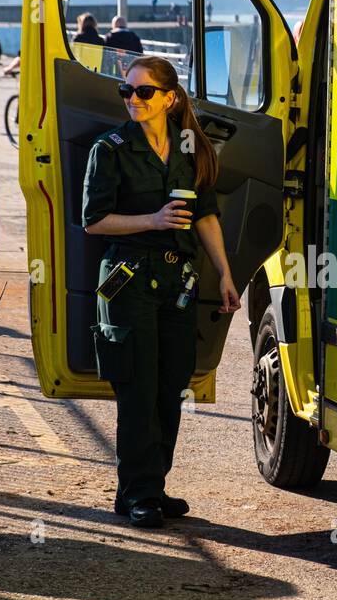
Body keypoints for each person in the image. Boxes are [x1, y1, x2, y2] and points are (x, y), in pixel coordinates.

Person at [81, 56, 241, 528]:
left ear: (169, 98)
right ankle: (139, 492)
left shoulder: (190, 149)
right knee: (137, 389)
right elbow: (93, 221)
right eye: (126, 92)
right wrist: (151, 220)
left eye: (144, 92)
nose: (133, 99)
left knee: (170, 387)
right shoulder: (109, 149)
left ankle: (149, 486)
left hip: (178, 282)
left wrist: (226, 275)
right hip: (127, 279)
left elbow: (206, 215)